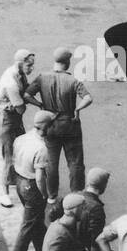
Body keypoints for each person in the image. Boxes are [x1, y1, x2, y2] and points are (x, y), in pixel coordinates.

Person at [26, 46, 91, 197]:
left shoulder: (42, 77)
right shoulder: (72, 80)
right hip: (70, 125)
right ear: (67, 62)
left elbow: (26, 95)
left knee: (51, 162)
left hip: (50, 124)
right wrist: (77, 109)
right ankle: (76, 193)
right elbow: (88, 98)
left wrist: (40, 105)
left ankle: (52, 195)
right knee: (75, 162)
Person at [9, 110, 55, 251]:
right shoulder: (42, 148)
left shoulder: (21, 139)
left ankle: (41, 250)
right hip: (31, 186)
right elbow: (40, 177)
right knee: (28, 223)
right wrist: (45, 194)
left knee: (36, 219)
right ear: (46, 127)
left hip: (19, 180)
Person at [0, 49, 36, 208]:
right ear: (20, 63)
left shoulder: (18, 73)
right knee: (9, 156)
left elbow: (26, 91)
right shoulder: (11, 83)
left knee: (20, 150)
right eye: (29, 65)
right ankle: (3, 192)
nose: (31, 68)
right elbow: (20, 108)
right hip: (7, 120)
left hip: (13, 118)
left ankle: (13, 182)